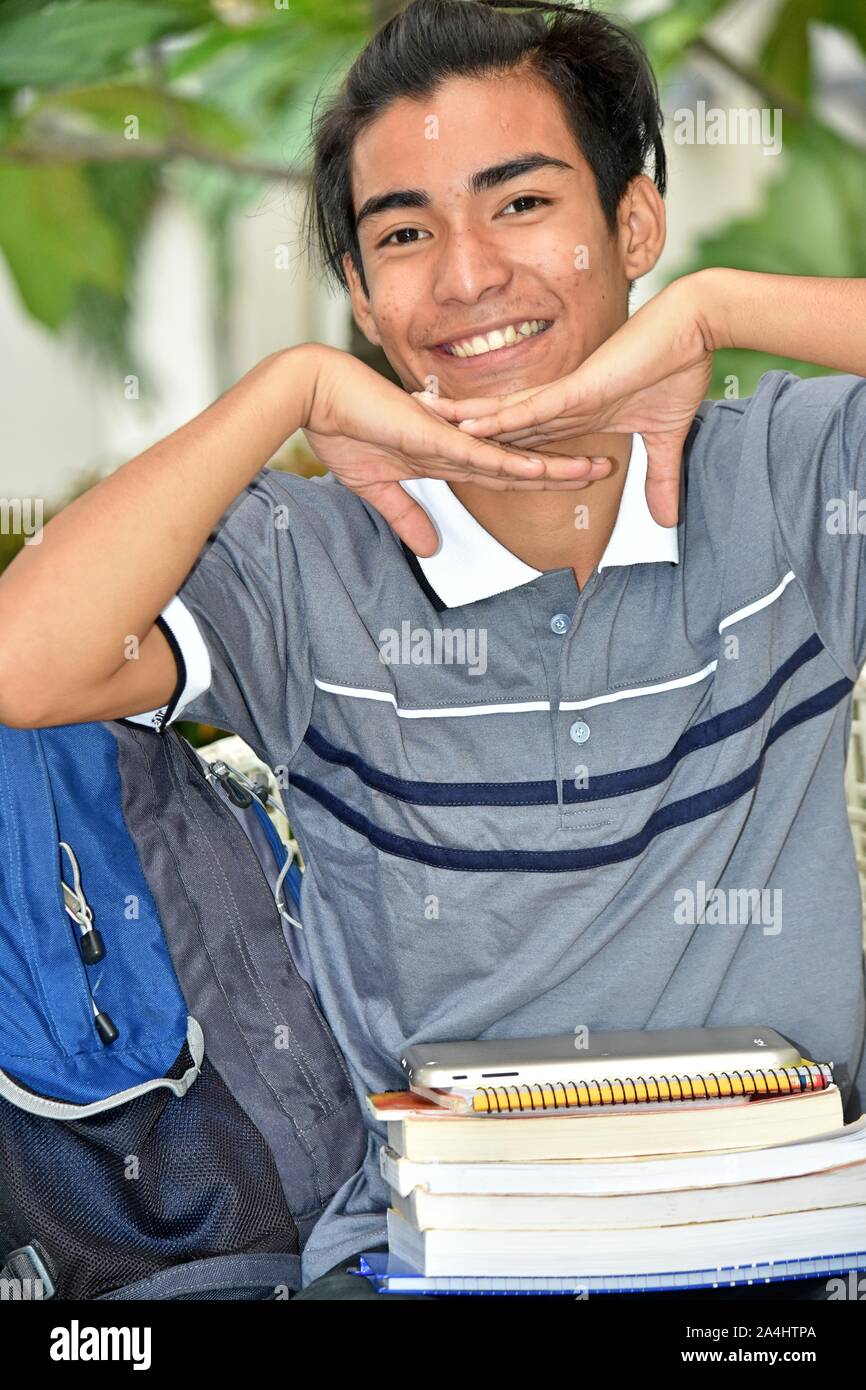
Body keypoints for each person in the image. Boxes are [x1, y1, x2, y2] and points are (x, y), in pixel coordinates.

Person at [1, 0, 865, 1301]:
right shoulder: (304, 556)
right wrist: (283, 392)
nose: (464, 276)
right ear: (359, 292)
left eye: (520, 203)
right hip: (436, 1264)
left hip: (786, 1250)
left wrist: (718, 308)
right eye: (402, 234)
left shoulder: (791, 479)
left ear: (633, 222)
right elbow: (27, 664)